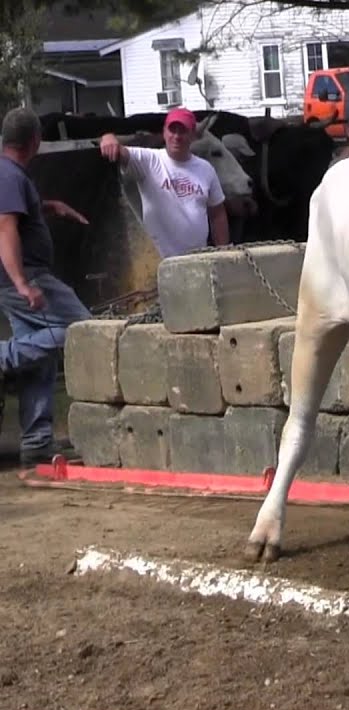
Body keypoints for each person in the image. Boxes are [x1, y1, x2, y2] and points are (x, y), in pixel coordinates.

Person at [0, 107, 93, 466]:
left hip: (17, 278)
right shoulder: (8, 176)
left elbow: (18, 216)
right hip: (25, 276)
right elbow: (5, 228)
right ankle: (4, 356)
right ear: (35, 141)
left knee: (38, 361)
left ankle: (37, 442)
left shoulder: (10, 174)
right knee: (84, 329)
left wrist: (48, 208)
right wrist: (23, 283)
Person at [99, 107, 230, 258]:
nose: (176, 136)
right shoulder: (149, 160)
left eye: (183, 131)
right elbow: (120, 152)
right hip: (159, 262)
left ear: (193, 135)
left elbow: (217, 213)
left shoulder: (206, 169)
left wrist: (223, 252)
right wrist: (108, 137)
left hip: (198, 259)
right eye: (172, 130)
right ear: (164, 132)